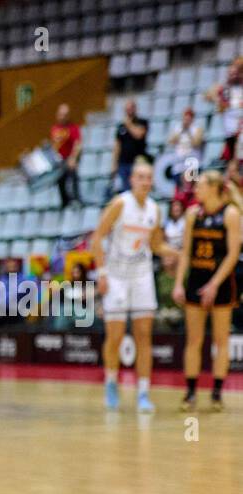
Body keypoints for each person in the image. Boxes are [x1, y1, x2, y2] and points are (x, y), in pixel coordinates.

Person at [91, 158, 178, 412]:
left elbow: (156, 245)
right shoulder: (120, 203)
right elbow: (97, 238)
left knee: (143, 336)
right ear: (132, 180)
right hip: (117, 277)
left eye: (149, 177)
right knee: (115, 336)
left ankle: (143, 392)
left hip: (141, 276)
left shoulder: (154, 209)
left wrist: (176, 253)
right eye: (140, 177)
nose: (145, 182)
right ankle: (110, 382)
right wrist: (102, 273)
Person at [172, 169, 239, 412]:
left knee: (221, 340)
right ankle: (190, 393)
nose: (196, 189)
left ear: (213, 187)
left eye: (200, 185)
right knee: (194, 340)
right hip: (196, 280)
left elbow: (233, 254)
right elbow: (186, 252)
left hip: (220, 283)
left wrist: (214, 284)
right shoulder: (193, 214)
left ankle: (217, 394)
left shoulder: (230, 214)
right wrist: (179, 282)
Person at [110, 99, 150, 197]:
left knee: (137, 187)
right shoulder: (120, 126)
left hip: (137, 161)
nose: (129, 110)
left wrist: (128, 124)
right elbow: (117, 145)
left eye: (131, 108)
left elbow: (139, 134)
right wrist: (114, 163)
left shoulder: (142, 122)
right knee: (126, 189)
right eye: (127, 109)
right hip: (123, 162)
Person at [50, 103, 81, 208]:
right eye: (61, 114)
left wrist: (73, 158)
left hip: (69, 158)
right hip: (59, 160)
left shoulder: (73, 128)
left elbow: (77, 144)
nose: (63, 117)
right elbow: (54, 145)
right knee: (60, 180)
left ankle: (76, 199)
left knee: (73, 177)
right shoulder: (54, 128)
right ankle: (64, 202)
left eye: (65, 114)